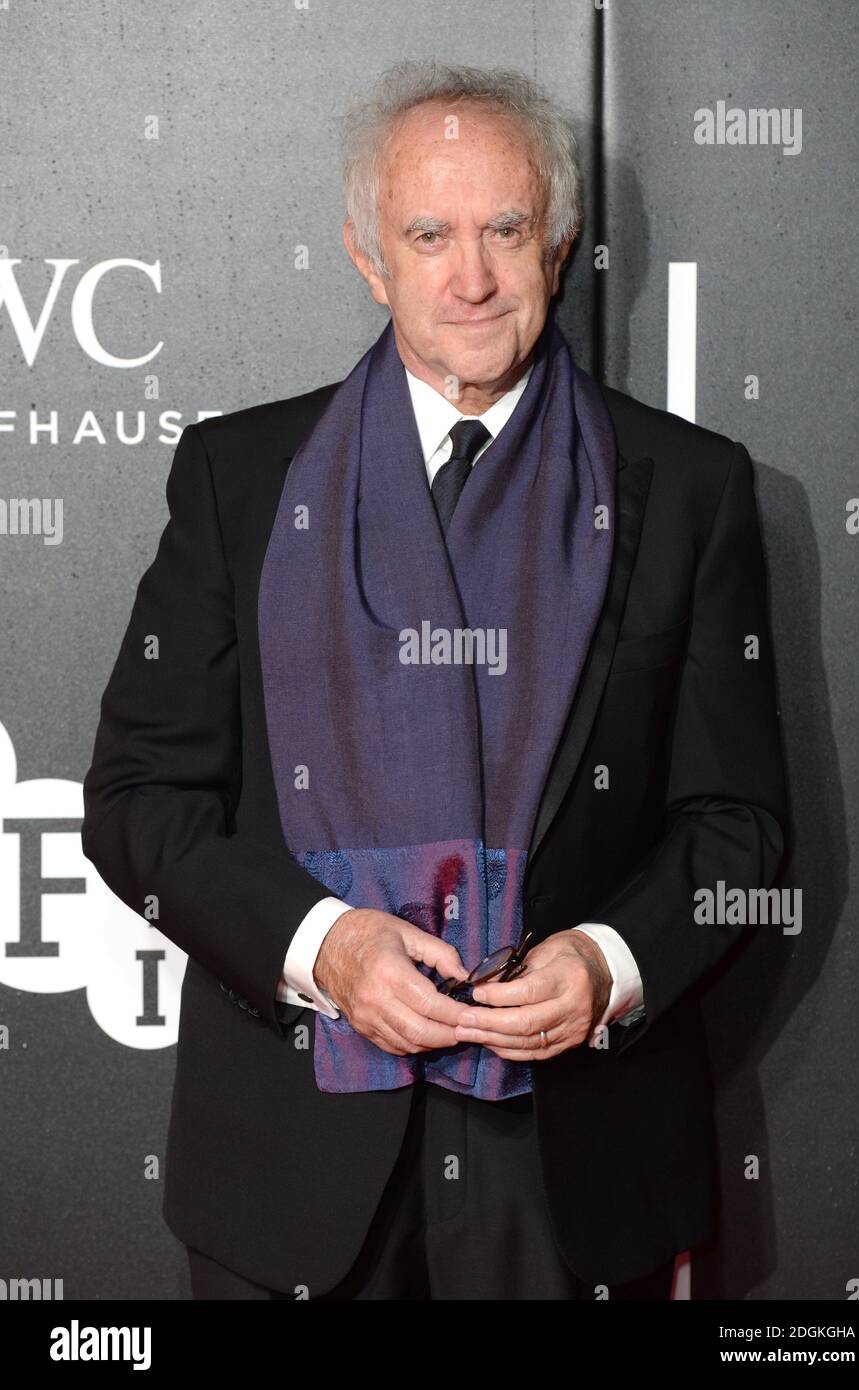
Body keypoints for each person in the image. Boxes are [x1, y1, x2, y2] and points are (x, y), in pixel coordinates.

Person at [81, 60, 786, 1301]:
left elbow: (736, 826)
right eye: (429, 234)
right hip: (295, 1152)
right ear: (367, 257)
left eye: (505, 231)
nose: (471, 277)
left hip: (574, 1155)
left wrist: (609, 964)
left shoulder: (688, 488)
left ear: (557, 243)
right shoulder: (238, 480)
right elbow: (140, 799)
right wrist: (325, 948)